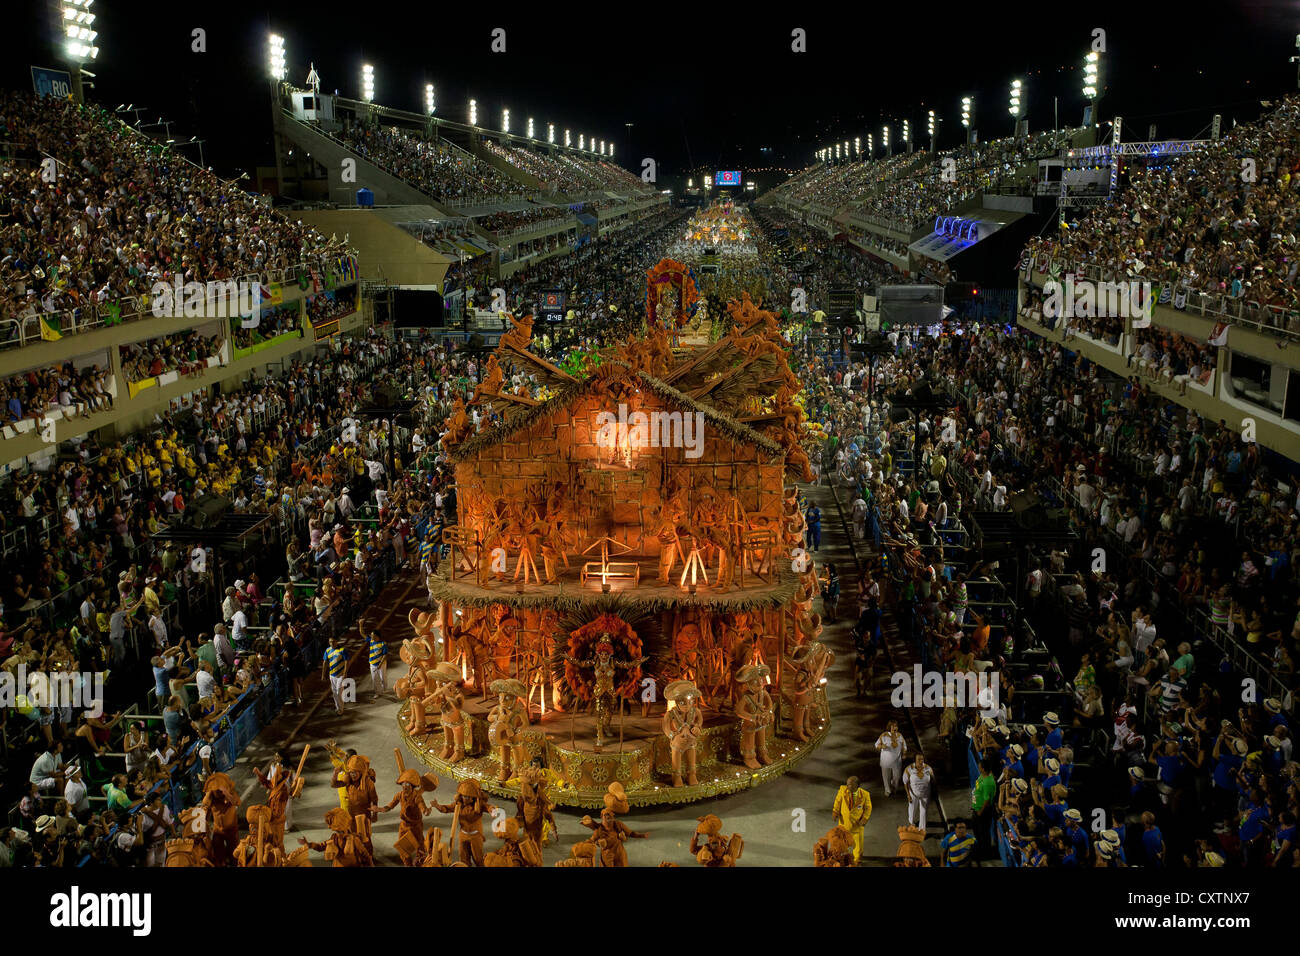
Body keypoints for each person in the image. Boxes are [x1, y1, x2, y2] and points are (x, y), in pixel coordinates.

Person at [831, 775, 872, 865]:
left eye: (850, 785)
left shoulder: (865, 795)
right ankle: (840, 858)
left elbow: (868, 808)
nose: (847, 786)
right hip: (843, 824)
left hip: (857, 826)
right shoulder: (842, 790)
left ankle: (857, 860)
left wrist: (865, 818)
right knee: (840, 843)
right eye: (847, 784)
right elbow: (838, 801)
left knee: (858, 846)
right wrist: (835, 811)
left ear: (857, 786)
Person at [903, 753, 935, 832]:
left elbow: (933, 780)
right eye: (919, 759)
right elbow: (905, 783)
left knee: (923, 811)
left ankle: (922, 830)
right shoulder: (909, 769)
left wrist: (934, 791)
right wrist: (908, 795)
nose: (921, 761)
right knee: (912, 809)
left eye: (922, 759)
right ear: (915, 760)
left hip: (925, 793)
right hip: (913, 793)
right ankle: (911, 823)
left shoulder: (928, 768)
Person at [874, 720, 906, 796]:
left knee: (897, 776)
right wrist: (882, 746)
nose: (895, 727)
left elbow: (904, 746)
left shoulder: (900, 736)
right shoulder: (884, 735)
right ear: (889, 727)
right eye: (893, 726)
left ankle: (894, 787)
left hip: (897, 761)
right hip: (886, 761)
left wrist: (904, 753)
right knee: (886, 777)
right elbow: (876, 745)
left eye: (896, 726)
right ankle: (888, 790)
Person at [323, 634, 349, 715]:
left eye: (333, 642)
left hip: (340, 675)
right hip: (332, 675)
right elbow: (325, 662)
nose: (332, 643)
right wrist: (323, 674)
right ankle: (338, 707)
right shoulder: (327, 650)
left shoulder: (342, 650)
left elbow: (346, 662)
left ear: (337, 641)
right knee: (334, 692)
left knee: (339, 691)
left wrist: (345, 672)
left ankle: (340, 709)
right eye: (330, 642)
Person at [365, 623, 388, 700]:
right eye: (371, 636)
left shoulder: (383, 643)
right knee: (374, 678)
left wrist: (380, 664)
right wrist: (361, 625)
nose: (371, 637)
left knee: (383, 678)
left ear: (377, 636)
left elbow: (385, 655)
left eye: (373, 636)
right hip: (372, 664)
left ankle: (384, 689)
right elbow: (362, 633)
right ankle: (377, 692)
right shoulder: (371, 641)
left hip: (382, 664)